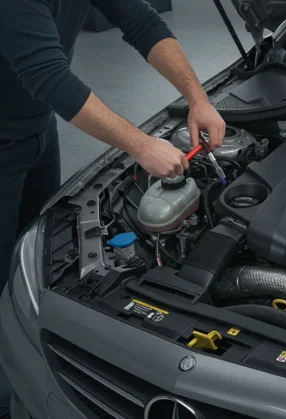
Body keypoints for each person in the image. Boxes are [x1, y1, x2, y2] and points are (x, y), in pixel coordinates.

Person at [0, 0, 227, 415]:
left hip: (36, 128)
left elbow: (141, 22)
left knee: (32, 255)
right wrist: (140, 146)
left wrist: (198, 99)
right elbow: (47, 74)